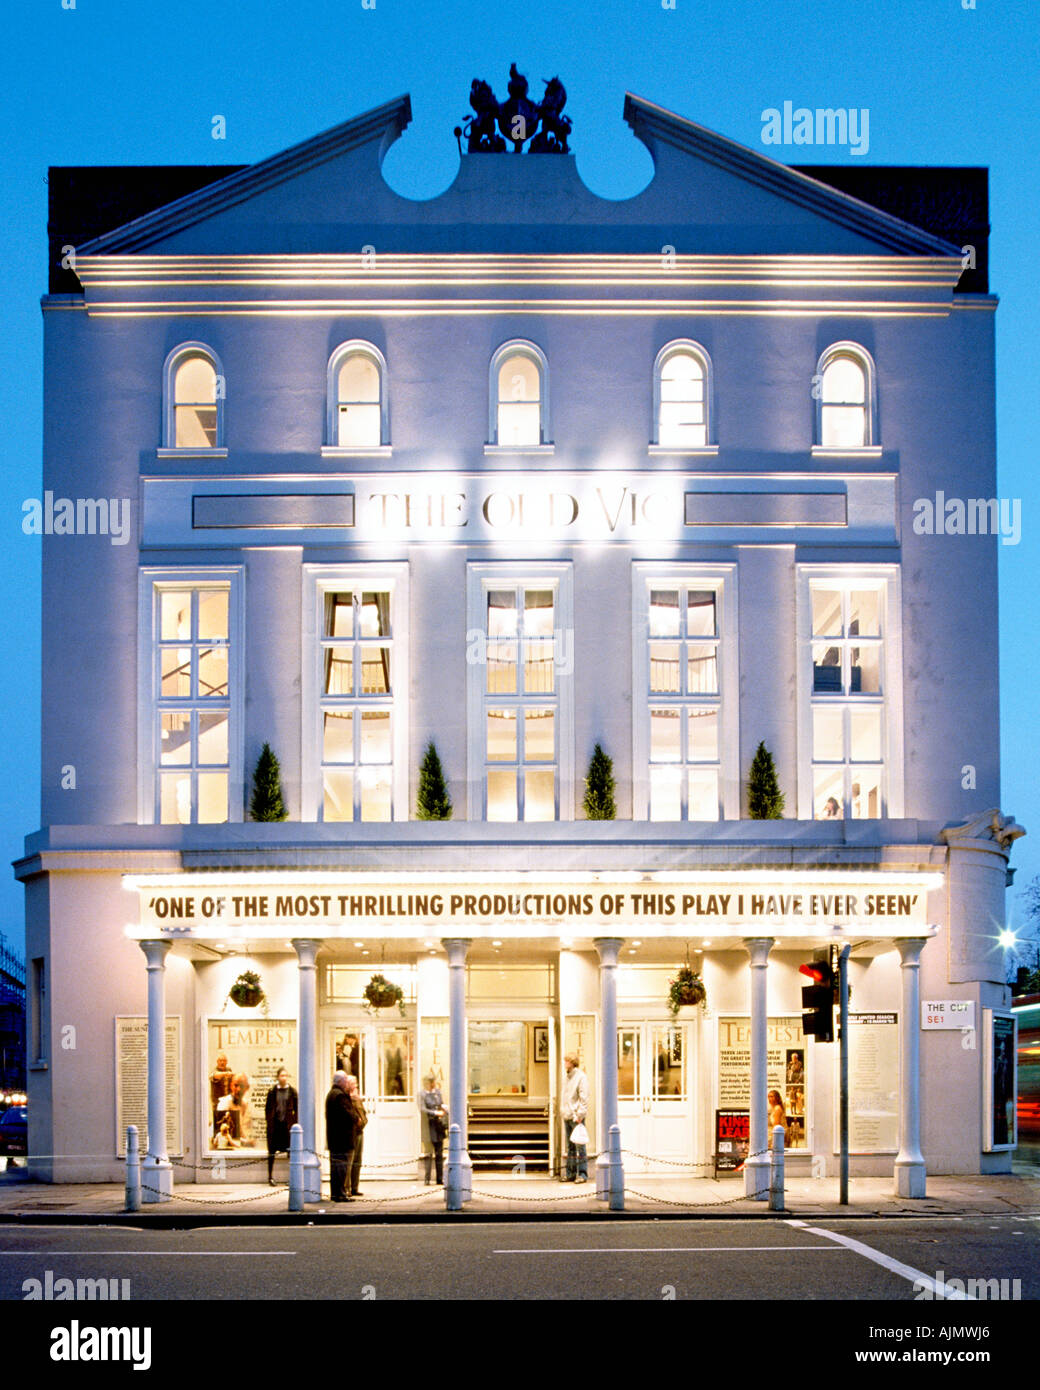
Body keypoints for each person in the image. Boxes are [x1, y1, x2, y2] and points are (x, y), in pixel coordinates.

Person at [325, 1070, 356, 1202]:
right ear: (340, 1081)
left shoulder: (331, 1094)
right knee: (342, 1167)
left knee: (335, 1167)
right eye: (345, 1080)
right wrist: (356, 1118)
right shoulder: (340, 1096)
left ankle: (335, 1193)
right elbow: (348, 1115)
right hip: (342, 1138)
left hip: (334, 1137)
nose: (347, 1083)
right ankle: (341, 1193)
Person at [264, 1066, 299, 1185]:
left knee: (291, 1151)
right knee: (272, 1151)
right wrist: (269, 1122)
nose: (283, 1078)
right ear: (278, 1077)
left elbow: (297, 1109)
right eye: (281, 1075)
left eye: (285, 1075)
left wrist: (294, 1122)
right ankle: (270, 1177)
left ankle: (292, 1177)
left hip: (287, 1126)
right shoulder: (272, 1091)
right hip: (275, 1126)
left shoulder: (292, 1092)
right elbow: (268, 1109)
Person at [561, 1052, 589, 1183]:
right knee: (570, 1147)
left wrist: (580, 1115)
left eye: (566, 1061)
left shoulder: (580, 1077)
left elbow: (584, 1098)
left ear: (572, 1062)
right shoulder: (567, 1077)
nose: (564, 1063)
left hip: (576, 1116)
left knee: (580, 1146)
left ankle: (582, 1174)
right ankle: (570, 1173)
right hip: (567, 1115)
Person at [420, 1072, 446, 1185]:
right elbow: (422, 1109)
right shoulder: (422, 1094)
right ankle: (427, 1178)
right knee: (428, 1153)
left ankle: (440, 1178)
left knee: (439, 1153)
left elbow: (441, 1104)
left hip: (438, 1125)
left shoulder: (438, 1093)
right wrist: (435, 1112)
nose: (434, 1084)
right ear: (427, 1083)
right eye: (432, 1082)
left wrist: (444, 1110)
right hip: (428, 1126)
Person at [345, 1074, 368, 1197]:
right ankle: (347, 1187)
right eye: (353, 1083)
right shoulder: (347, 1098)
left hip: (360, 1132)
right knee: (350, 1161)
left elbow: (363, 1113)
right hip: (352, 1133)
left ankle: (355, 1186)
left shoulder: (357, 1098)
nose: (356, 1086)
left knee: (357, 1161)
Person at [209, 1052, 234, 1134]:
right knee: (218, 1120)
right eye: (220, 1060)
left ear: (227, 1062)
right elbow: (214, 1076)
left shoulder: (229, 1069)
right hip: (217, 1102)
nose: (222, 1062)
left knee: (229, 1120)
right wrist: (226, 1074)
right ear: (217, 1062)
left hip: (228, 1101)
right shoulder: (215, 1071)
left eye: (224, 1061)